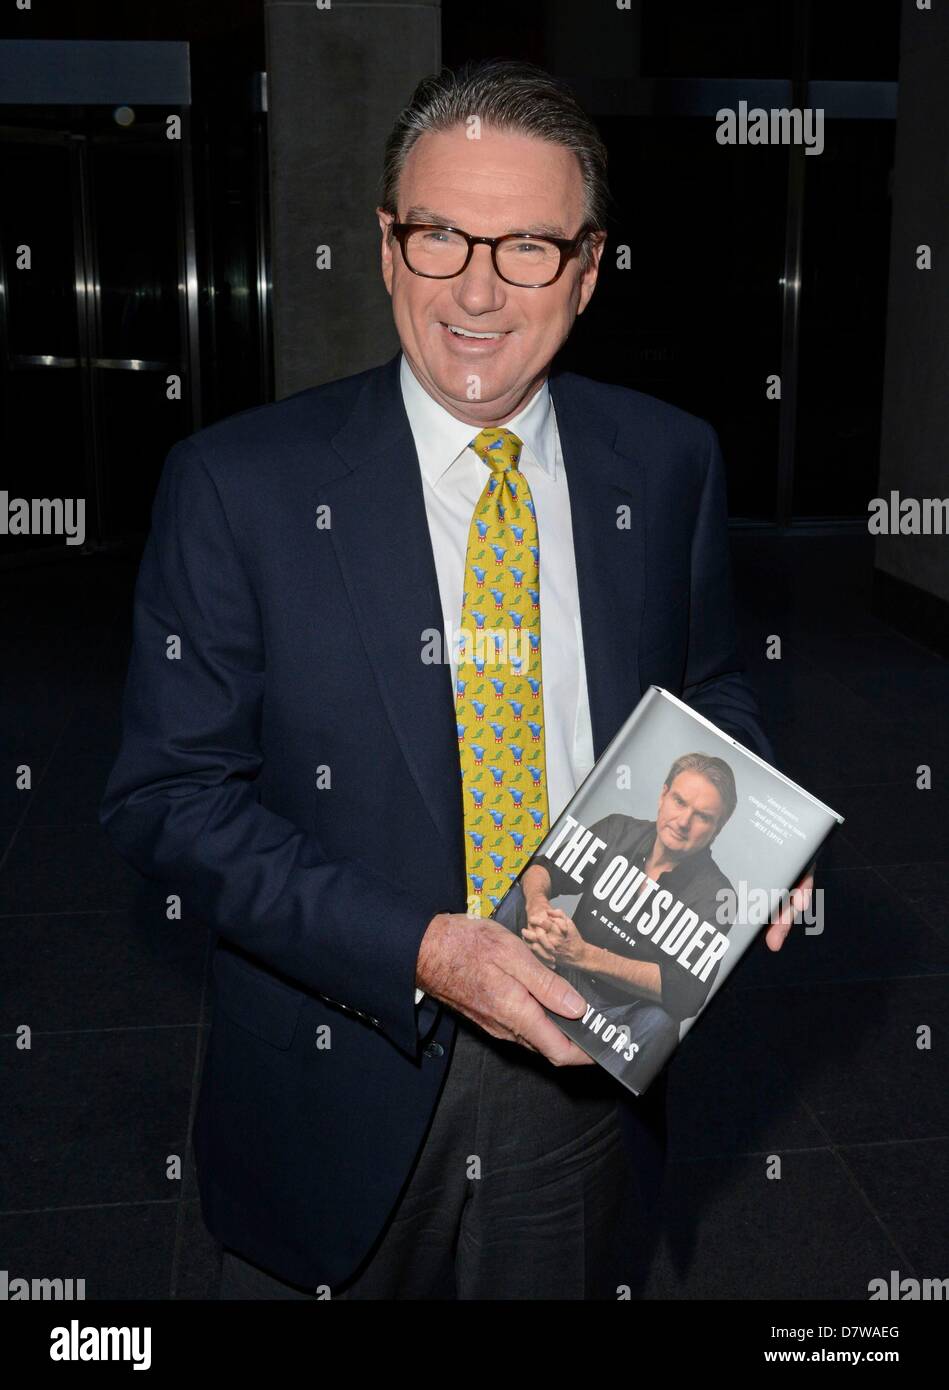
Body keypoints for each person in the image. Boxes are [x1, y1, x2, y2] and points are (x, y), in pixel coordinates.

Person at [100, 58, 812, 1301]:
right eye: (440, 236)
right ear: (386, 247)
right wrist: (426, 950)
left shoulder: (666, 460)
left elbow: (708, 691)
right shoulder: (239, 486)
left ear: (588, 270)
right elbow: (168, 799)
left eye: (529, 246)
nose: (477, 289)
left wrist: (750, 842)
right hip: (341, 1061)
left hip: (586, 1077)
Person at [512, 753, 739, 1081]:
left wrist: (584, 956)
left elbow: (686, 992)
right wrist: (537, 908)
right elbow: (545, 868)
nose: (683, 821)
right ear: (663, 796)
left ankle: (594, 1094)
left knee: (661, 1025)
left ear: (718, 828)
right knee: (515, 901)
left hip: (621, 1016)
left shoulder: (717, 894)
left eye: (702, 816)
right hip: (558, 972)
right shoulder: (618, 829)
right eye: (679, 801)